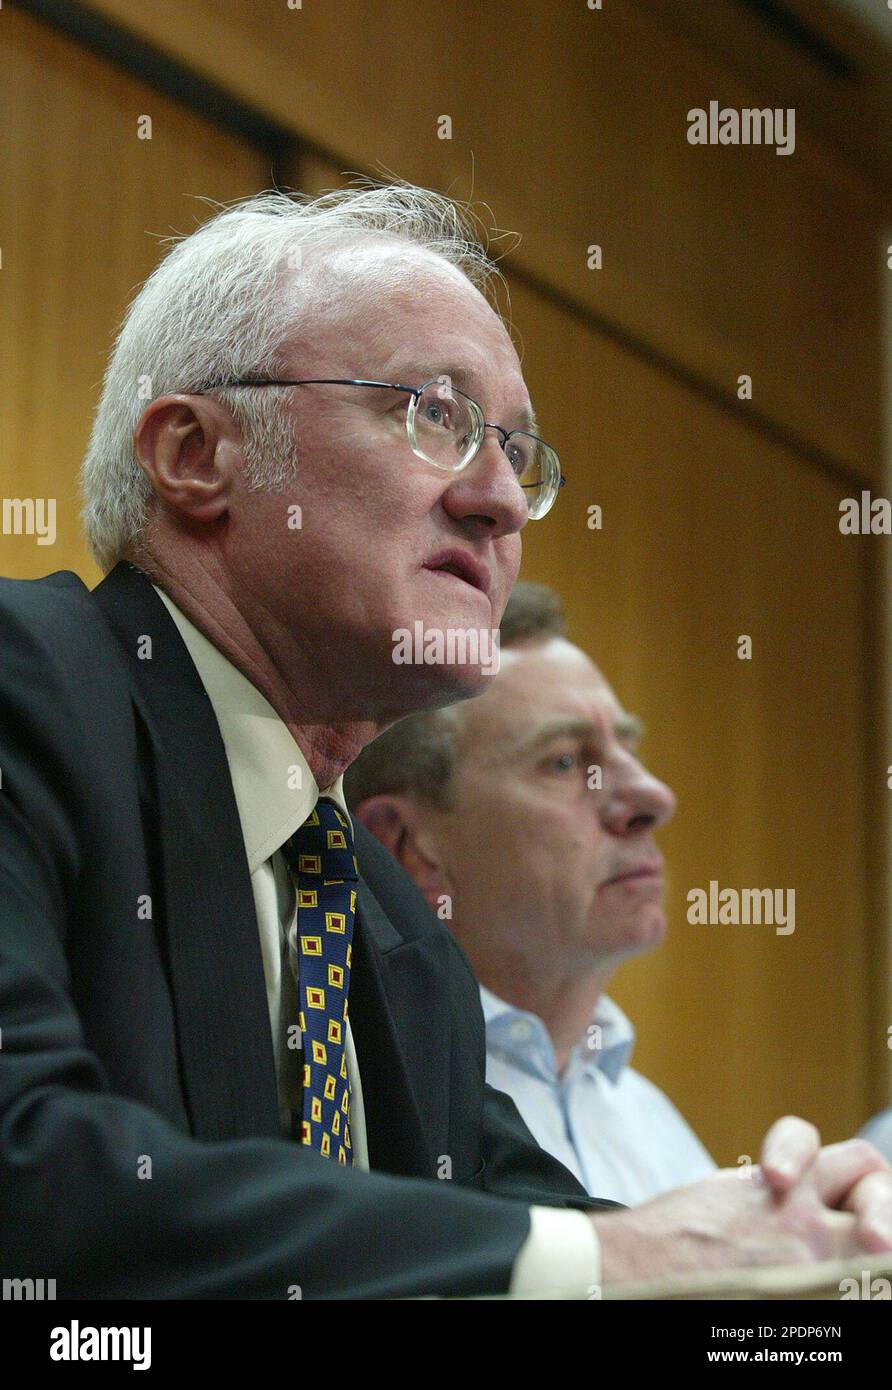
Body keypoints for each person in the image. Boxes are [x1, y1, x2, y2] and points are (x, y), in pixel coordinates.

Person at [1, 184, 890, 1301]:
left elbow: (532, 1231)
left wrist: (812, 1256)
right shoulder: (26, 689)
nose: (502, 502)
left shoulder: (385, 921)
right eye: (434, 413)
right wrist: (624, 1259)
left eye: (517, 452)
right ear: (194, 452)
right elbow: (29, 1168)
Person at [346, 581, 716, 1204]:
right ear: (406, 845)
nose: (654, 798)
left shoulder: (660, 1130)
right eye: (566, 762)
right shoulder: (363, 1119)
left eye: (627, 746)